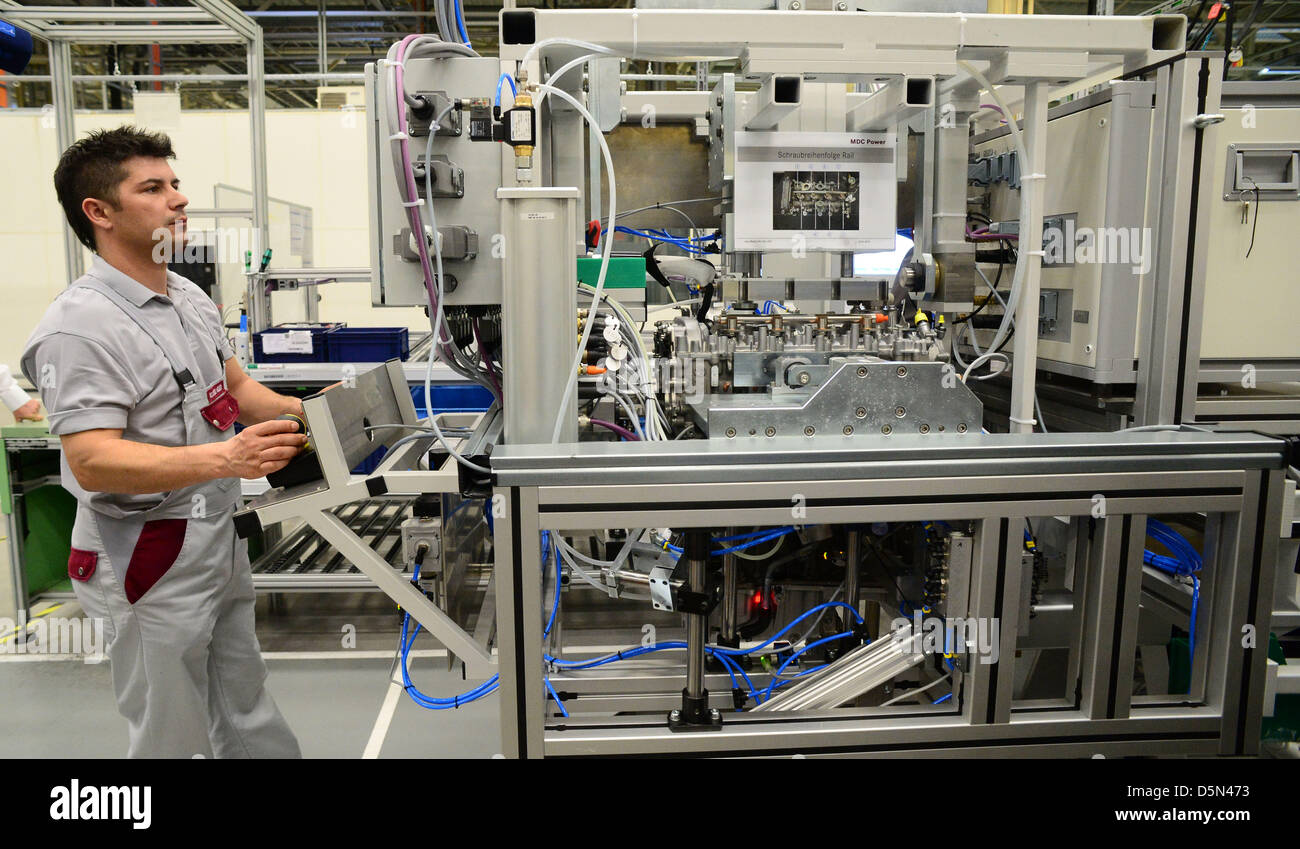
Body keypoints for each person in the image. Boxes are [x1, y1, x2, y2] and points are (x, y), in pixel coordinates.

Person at [22, 125, 306, 758]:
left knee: (243, 701)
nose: (179, 199)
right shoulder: (81, 328)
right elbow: (93, 461)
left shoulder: (186, 296)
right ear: (98, 212)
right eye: (152, 188)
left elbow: (234, 386)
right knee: (169, 731)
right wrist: (226, 456)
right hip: (146, 549)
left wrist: (319, 414)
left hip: (214, 533)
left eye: (175, 183)